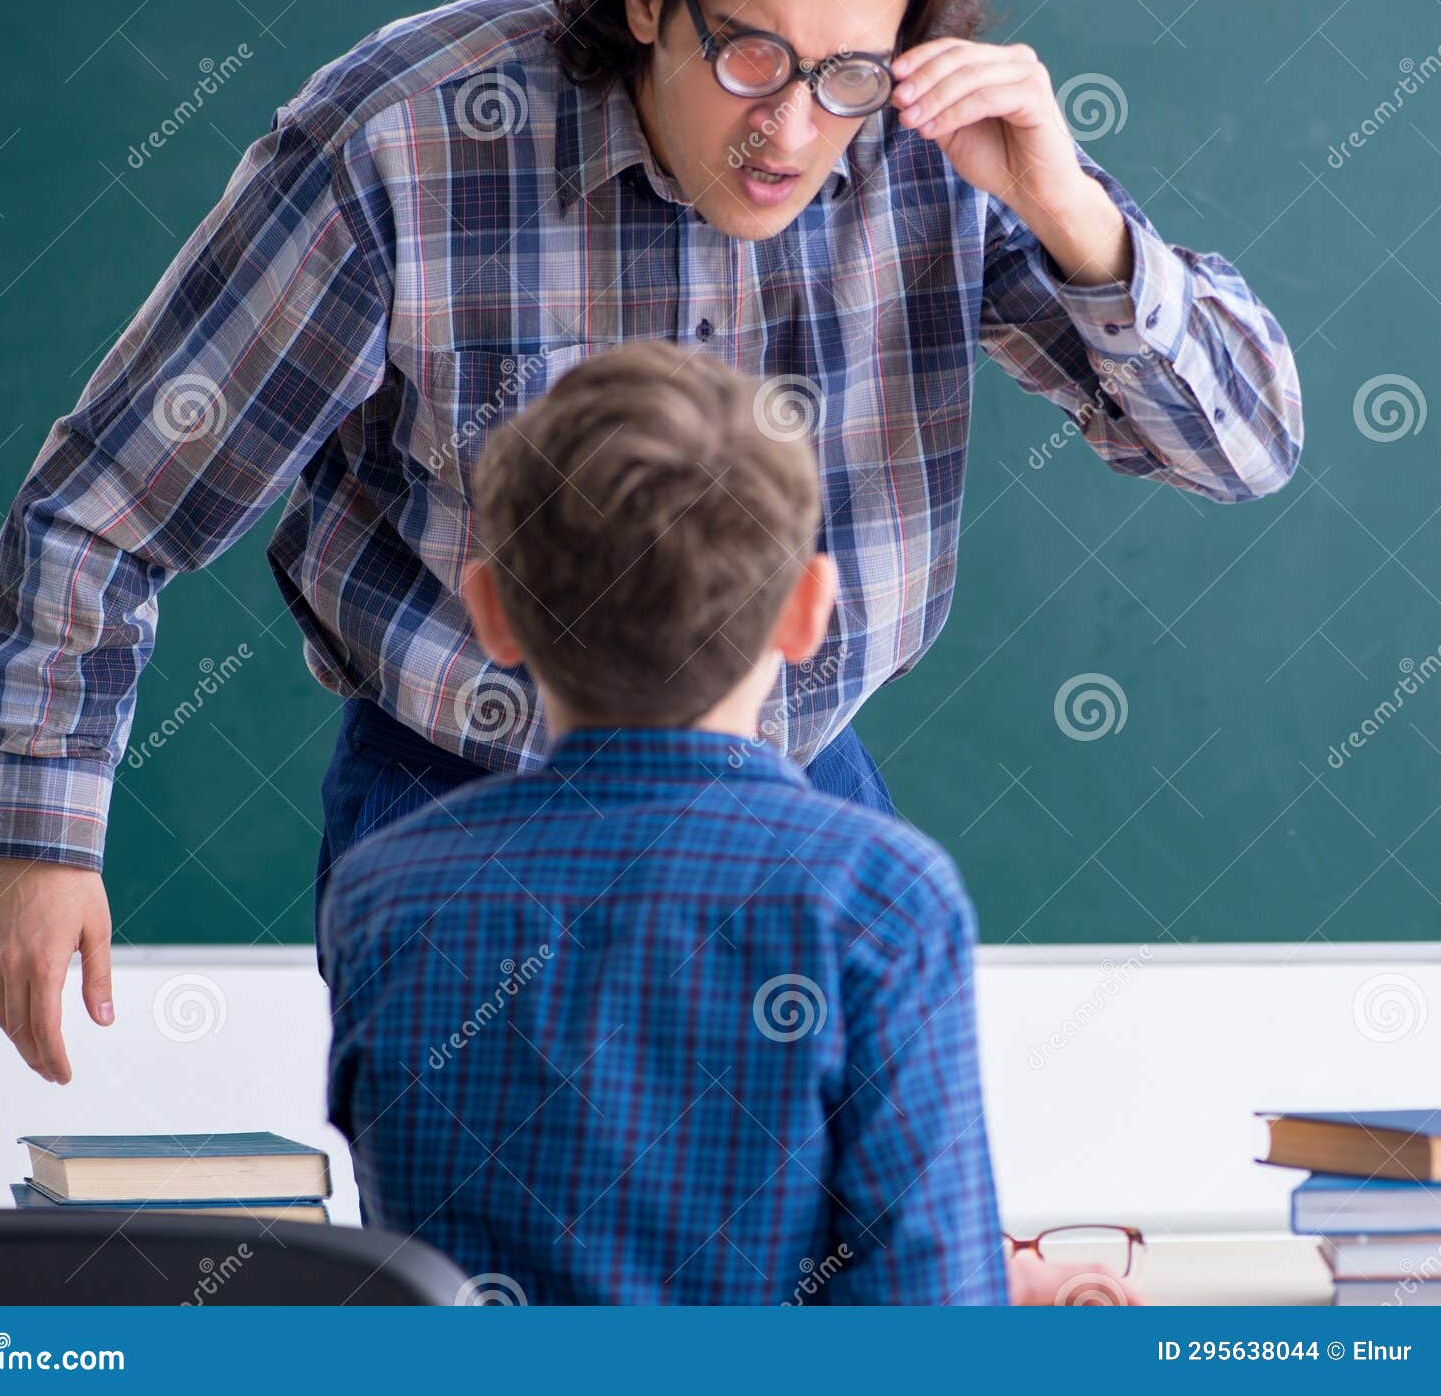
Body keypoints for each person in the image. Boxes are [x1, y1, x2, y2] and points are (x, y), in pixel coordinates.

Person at [0, 0, 1301, 1103]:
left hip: (797, 797)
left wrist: (1073, 216)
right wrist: (45, 840)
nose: (790, 132)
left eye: (845, 74)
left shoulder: (938, 149)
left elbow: (1242, 446)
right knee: (486, 1289)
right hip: (465, 810)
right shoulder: (411, 141)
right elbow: (111, 506)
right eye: (752, 59)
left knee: (837, 1294)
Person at [326, 341, 1010, 1304]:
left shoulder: (381, 891)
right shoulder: (880, 897)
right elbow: (931, 1311)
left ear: (490, 612)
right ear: (812, 611)